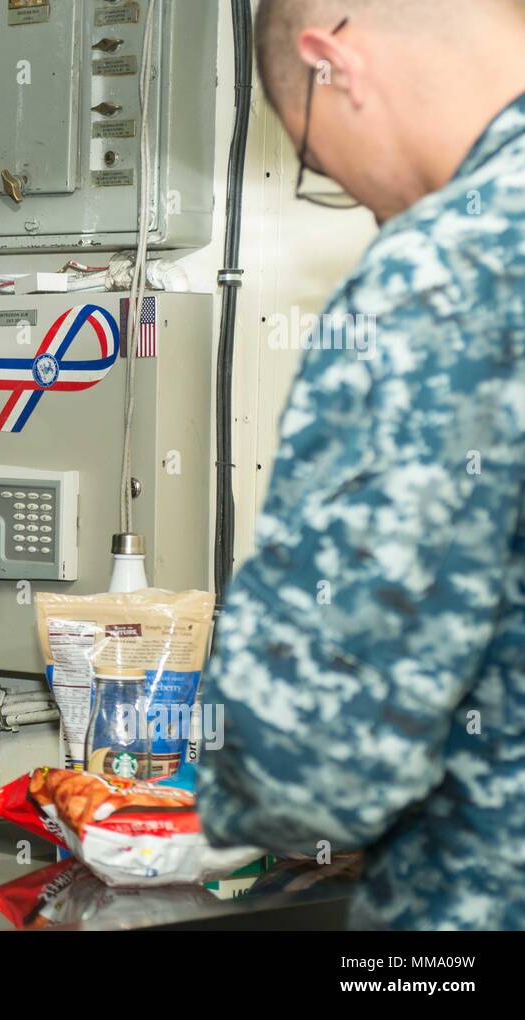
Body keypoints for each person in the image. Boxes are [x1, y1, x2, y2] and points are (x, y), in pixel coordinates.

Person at [197, 0, 525, 930]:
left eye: (320, 167)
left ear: (331, 63)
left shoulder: (445, 271)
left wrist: (231, 792)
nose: (374, 208)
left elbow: (314, 756)